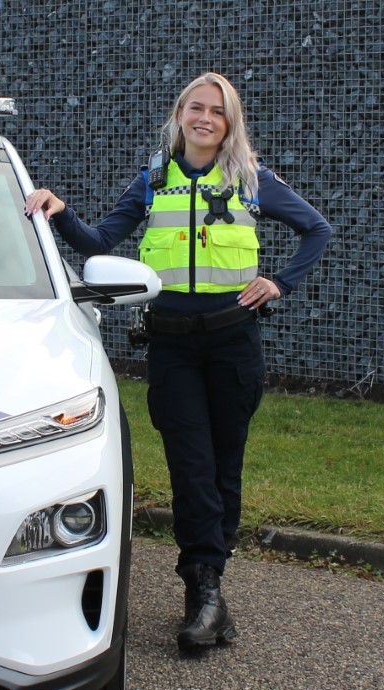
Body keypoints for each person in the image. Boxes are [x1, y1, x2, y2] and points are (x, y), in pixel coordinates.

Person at [25, 72, 331, 651]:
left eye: (218, 111)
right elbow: (98, 242)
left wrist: (280, 283)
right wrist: (59, 211)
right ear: (180, 115)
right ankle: (205, 594)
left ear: (229, 123)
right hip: (172, 347)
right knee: (192, 468)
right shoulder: (154, 179)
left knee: (223, 468)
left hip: (233, 341)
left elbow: (316, 228)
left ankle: (209, 593)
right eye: (197, 108)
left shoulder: (250, 180)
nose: (205, 119)